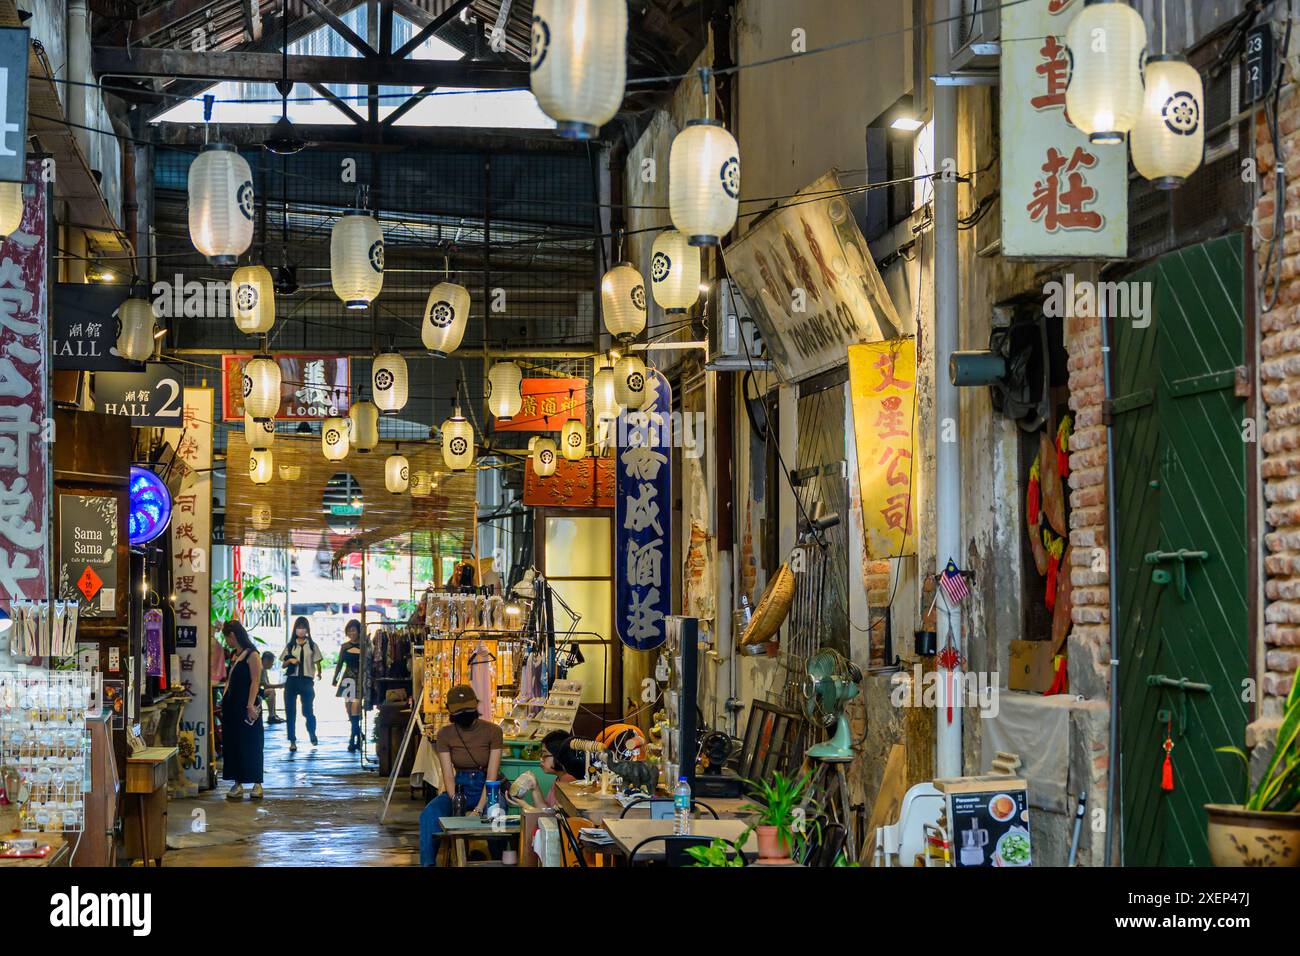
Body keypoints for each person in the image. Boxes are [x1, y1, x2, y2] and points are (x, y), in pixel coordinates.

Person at [418, 685, 503, 866]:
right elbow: (448, 775)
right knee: (429, 814)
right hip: (458, 786)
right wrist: (457, 803)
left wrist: (478, 809)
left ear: (476, 706)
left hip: (487, 786)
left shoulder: (493, 731)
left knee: (496, 816)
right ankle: (428, 864)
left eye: (468, 708)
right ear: (450, 711)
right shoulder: (445, 734)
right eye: (460, 710)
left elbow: (492, 776)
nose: (465, 712)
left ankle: (500, 861)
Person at [219, 621, 264, 800]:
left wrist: (250, 705)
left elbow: (255, 681)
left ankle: (257, 783)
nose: (227, 641)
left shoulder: (252, 655)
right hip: (231, 706)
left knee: (252, 744)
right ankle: (237, 783)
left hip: (247, 707)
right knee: (233, 744)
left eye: (227, 637)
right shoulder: (234, 655)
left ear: (234, 636)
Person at [280, 616, 323, 753]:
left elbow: (317, 661)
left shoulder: (312, 645)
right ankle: (292, 740)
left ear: (307, 629)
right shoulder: (290, 645)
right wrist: (291, 661)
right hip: (292, 681)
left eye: (303, 627)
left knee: (308, 711)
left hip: (306, 681)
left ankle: (312, 733)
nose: (301, 630)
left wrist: (319, 673)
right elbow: (283, 664)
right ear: (295, 629)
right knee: (290, 711)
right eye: (299, 627)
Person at [512, 731, 585, 810]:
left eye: (544, 754)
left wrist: (525, 806)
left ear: (559, 756)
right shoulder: (559, 779)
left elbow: (552, 819)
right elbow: (546, 810)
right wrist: (535, 787)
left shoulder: (569, 782)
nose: (541, 759)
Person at [333, 619, 364, 752]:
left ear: (359, 631)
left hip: (359, 679)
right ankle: (358, 733)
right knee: (348, 709)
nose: (352, 632)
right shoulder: (344, 646)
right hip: (347, 680)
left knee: (356, 707)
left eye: (354, 630)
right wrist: (335, 678)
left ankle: (353, 739)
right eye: (350, 630)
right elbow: (340, 663)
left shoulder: (364, 645)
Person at [260, 651, 284, 724]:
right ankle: (271, 716)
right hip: (251, 691)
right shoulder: (260, 668)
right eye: (272, 662)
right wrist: (279, 685)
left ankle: (273, 714)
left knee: (271, 691)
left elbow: (266, 685)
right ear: (266, 661)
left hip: (257, 689)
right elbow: (265, 684)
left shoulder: (263, 669)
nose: (272, 665)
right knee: (271, 691)